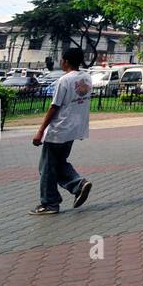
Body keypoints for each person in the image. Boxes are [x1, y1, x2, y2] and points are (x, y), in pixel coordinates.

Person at [29, 47, 93, 215]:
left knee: (47, 168)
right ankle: (78, 185)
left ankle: (50, 203)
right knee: (58, 163)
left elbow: (54, 106)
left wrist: (41, 130)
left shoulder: (64, 81)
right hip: (74, 129)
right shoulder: (87, 78)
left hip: (59, 129)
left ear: (65, 61)